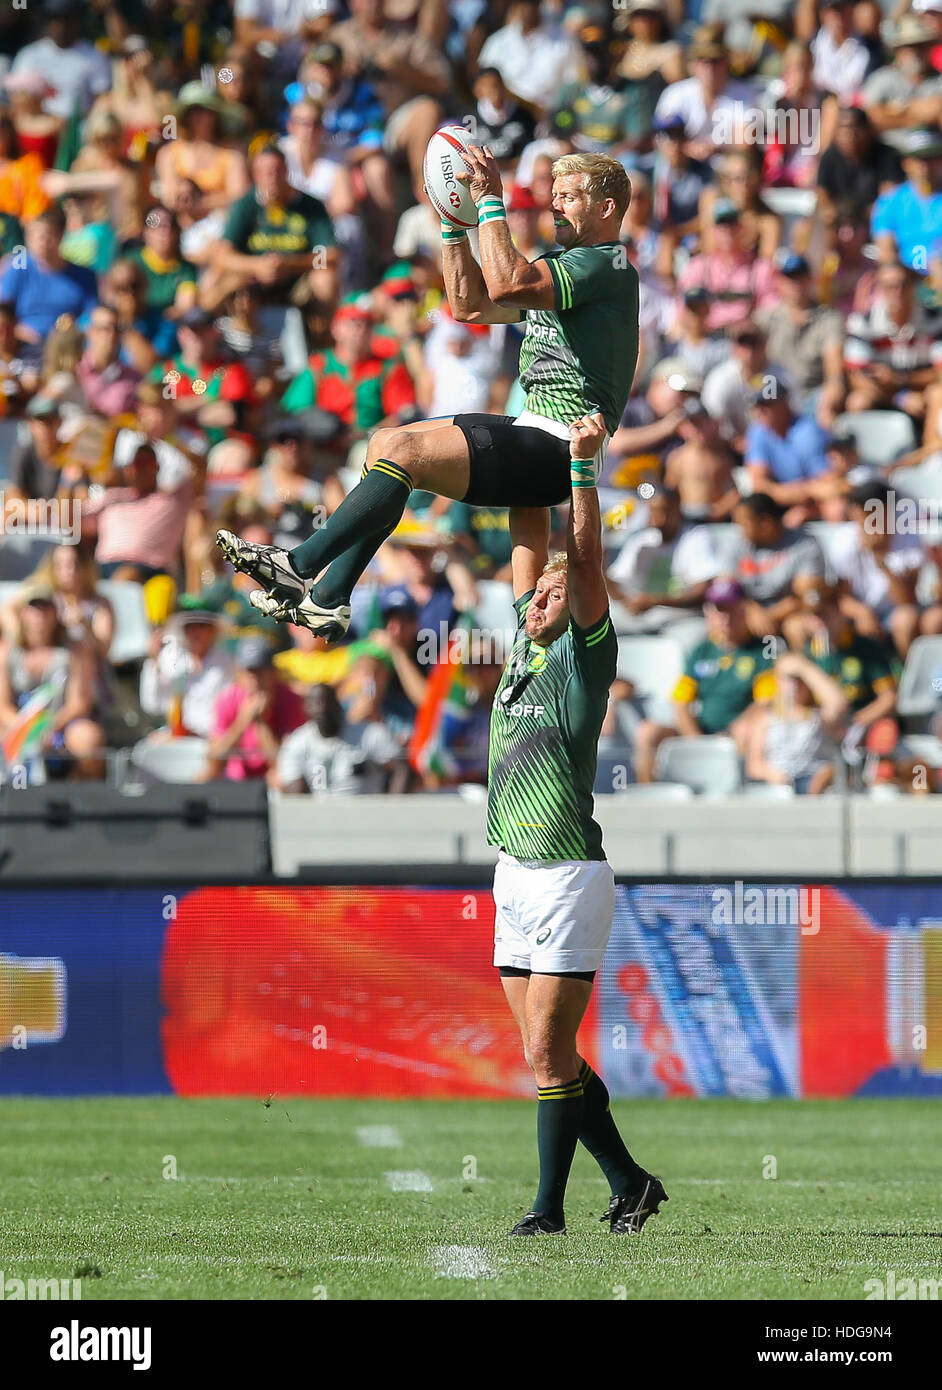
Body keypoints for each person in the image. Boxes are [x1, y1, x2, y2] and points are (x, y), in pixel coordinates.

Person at [217, 151, 639, 645]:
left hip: (560, 448)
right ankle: (329, 597)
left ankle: (298, 562)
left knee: (403, 454)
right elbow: (468, 305)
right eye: (555, 197)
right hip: (534, 431)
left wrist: (489, 203)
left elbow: (508, 283)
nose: (555, 208)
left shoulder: (605, 262)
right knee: (383, 444)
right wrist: (452, 226)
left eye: (569, 197)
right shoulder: (567, 267)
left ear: (607, 209)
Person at [491, 412, 667, 1236]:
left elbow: (580, 556)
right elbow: (528, 527)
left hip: (566, 873)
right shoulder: (521, 644)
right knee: (544, 1052)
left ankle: (546, 1211)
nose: (540, 599)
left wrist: (584, 471)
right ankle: (630, 1180)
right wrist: (523, 437)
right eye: (538, 592)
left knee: (545, 1054)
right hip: (513, 873)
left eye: (555, 593)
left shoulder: (582, 657)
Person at [276, 683, 405, 793]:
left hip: (365, 817)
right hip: (319, 818)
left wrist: (391, 811)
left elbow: (402, 769)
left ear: (338, 704)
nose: (322, 708)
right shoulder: (296, 743)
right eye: (315, 704)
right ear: (305, 709)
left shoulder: (370, 734)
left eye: (327, 702)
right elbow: (296, 792)